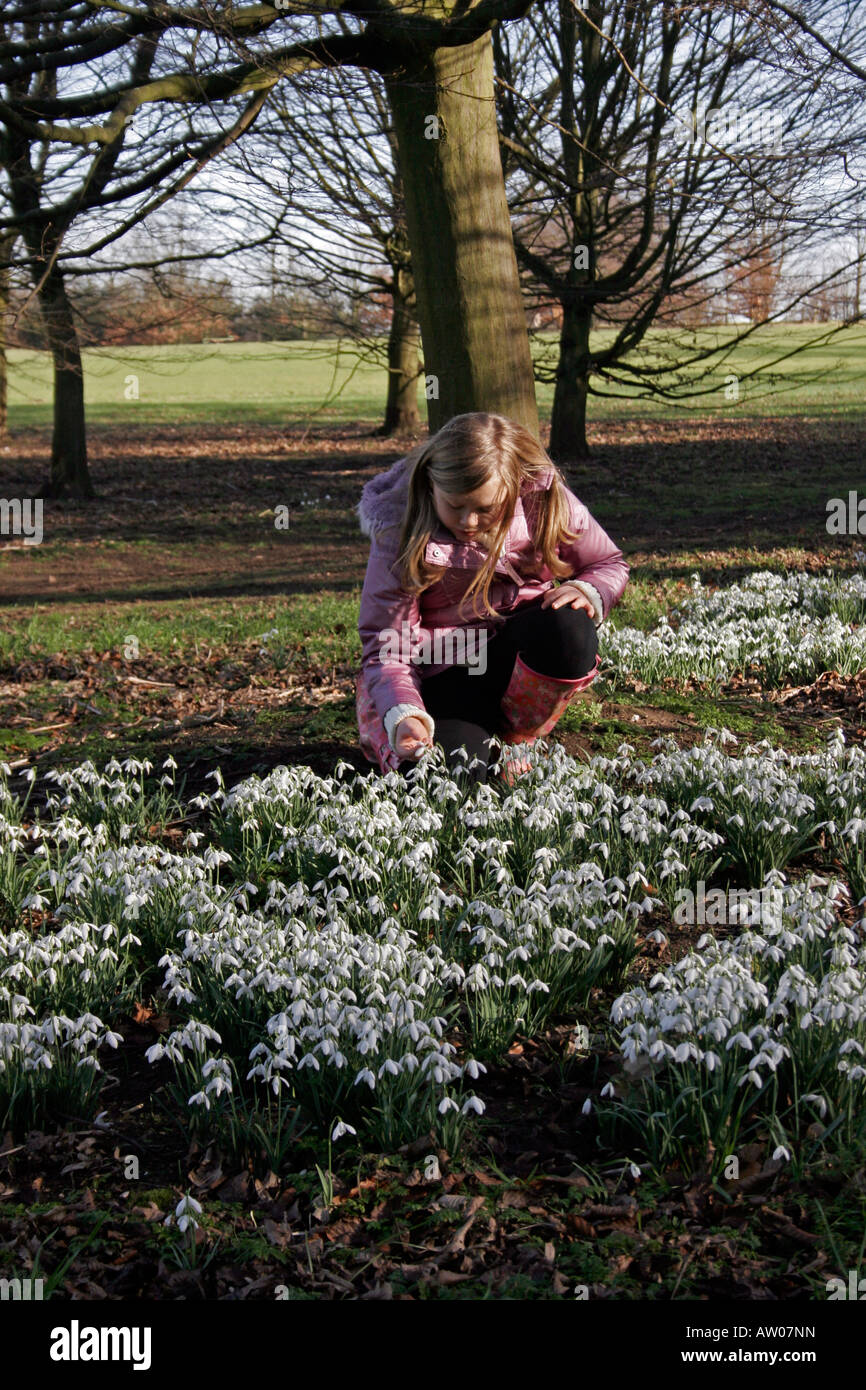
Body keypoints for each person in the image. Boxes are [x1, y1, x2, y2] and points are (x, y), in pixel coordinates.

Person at [356, 412, 628, 782]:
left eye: (485, 508)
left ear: (515, 486)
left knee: (569, 626)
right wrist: (404, 711)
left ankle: (519, 736)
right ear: (430, 484)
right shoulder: (399, 529)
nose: (468, 521)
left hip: (512, 660)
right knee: (450, 780)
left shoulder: (542, 501)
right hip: (441, 678)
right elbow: (388, 645)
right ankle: (457, 740)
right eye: (455, 506)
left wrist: (587, 590)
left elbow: (608, 562)